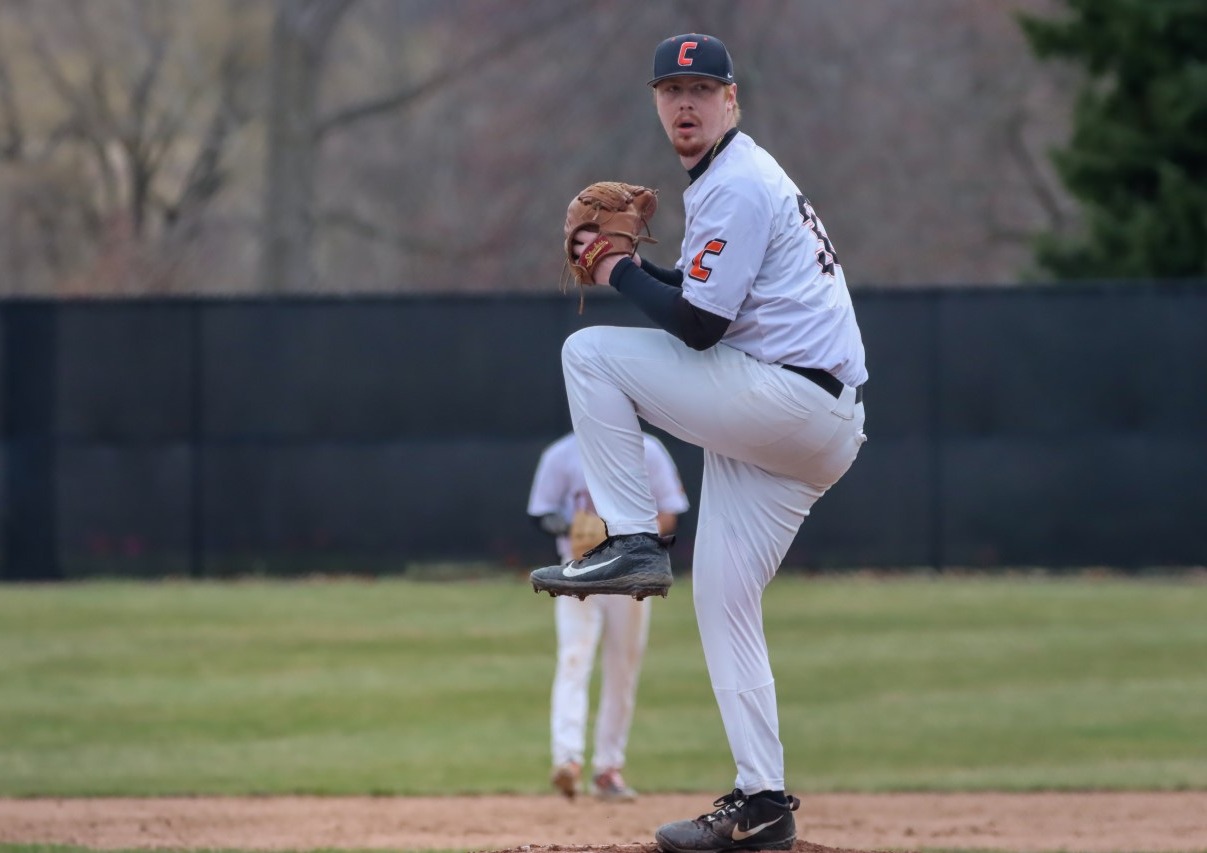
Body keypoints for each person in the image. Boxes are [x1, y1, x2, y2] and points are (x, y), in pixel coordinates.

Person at [531, 32, 868, 853]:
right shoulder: (735, 178)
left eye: (701, 88)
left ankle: (634, 539)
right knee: (724, 603)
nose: (685, 102)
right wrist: (633, 269)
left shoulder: (738, 183)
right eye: (671, 88)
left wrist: (611, 269)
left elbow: (698, 326)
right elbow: (702, 294)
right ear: (656, 101)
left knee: (589, 352)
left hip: (786, 398)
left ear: (731, 99)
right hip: (809, 420)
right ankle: (763, 802)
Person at [528, 430, 689, 802]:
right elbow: (541, 512)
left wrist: (626, 535)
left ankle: (608, 769)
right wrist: (566, 527)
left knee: (623, 668)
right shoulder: (563, 453)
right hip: (576, 572)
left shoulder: (648, 451)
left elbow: (669, 513)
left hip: (630, 575)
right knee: (573, 659)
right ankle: (567, 760)